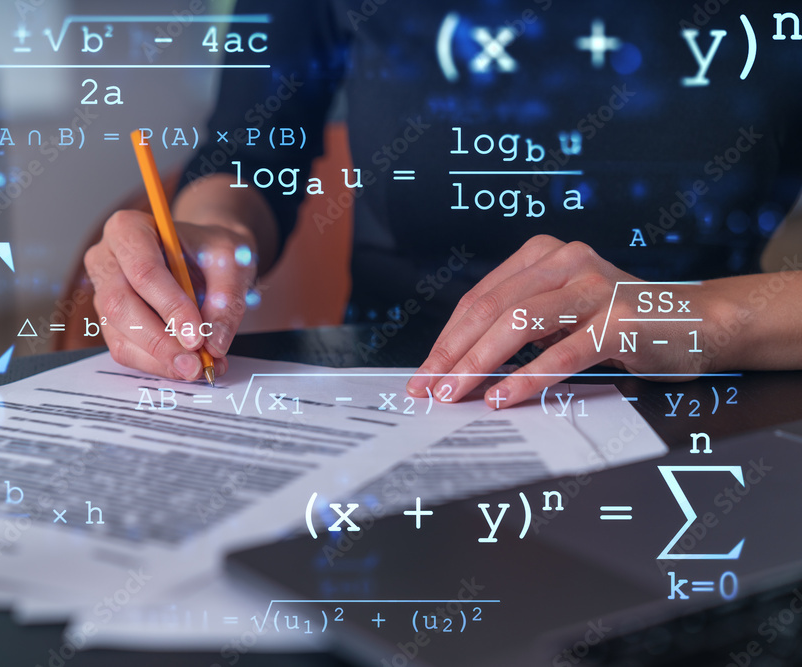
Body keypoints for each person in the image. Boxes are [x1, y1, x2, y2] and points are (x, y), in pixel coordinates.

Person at [82, 0, 802, 408]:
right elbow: (245, 159)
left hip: (704, 401)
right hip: (401, 401)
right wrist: (211, 233)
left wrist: (702, 311)